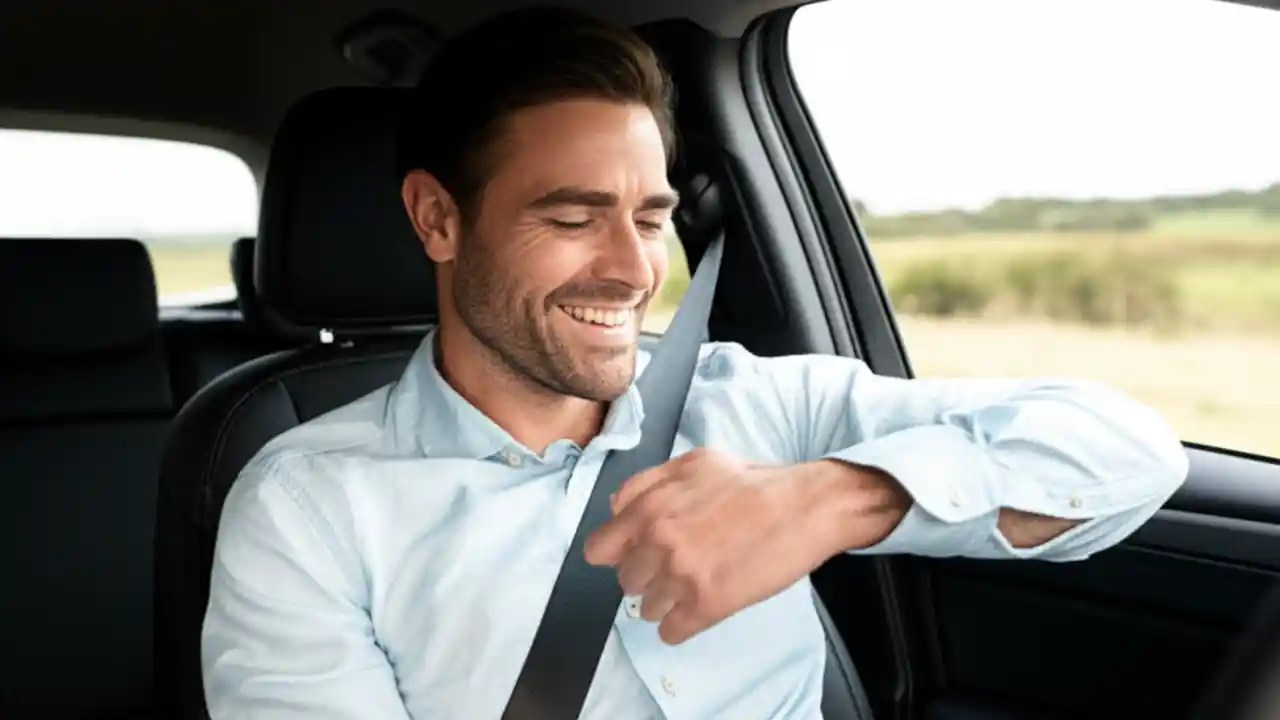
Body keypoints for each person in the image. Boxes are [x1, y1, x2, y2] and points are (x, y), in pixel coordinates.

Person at [200, 7, 1189, 719]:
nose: (634, 271)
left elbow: (1128, 452)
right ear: (437, 218)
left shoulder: (753, 404)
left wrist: (834, 500)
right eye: (575, 216)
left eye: (651, 218)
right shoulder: (308, 506)